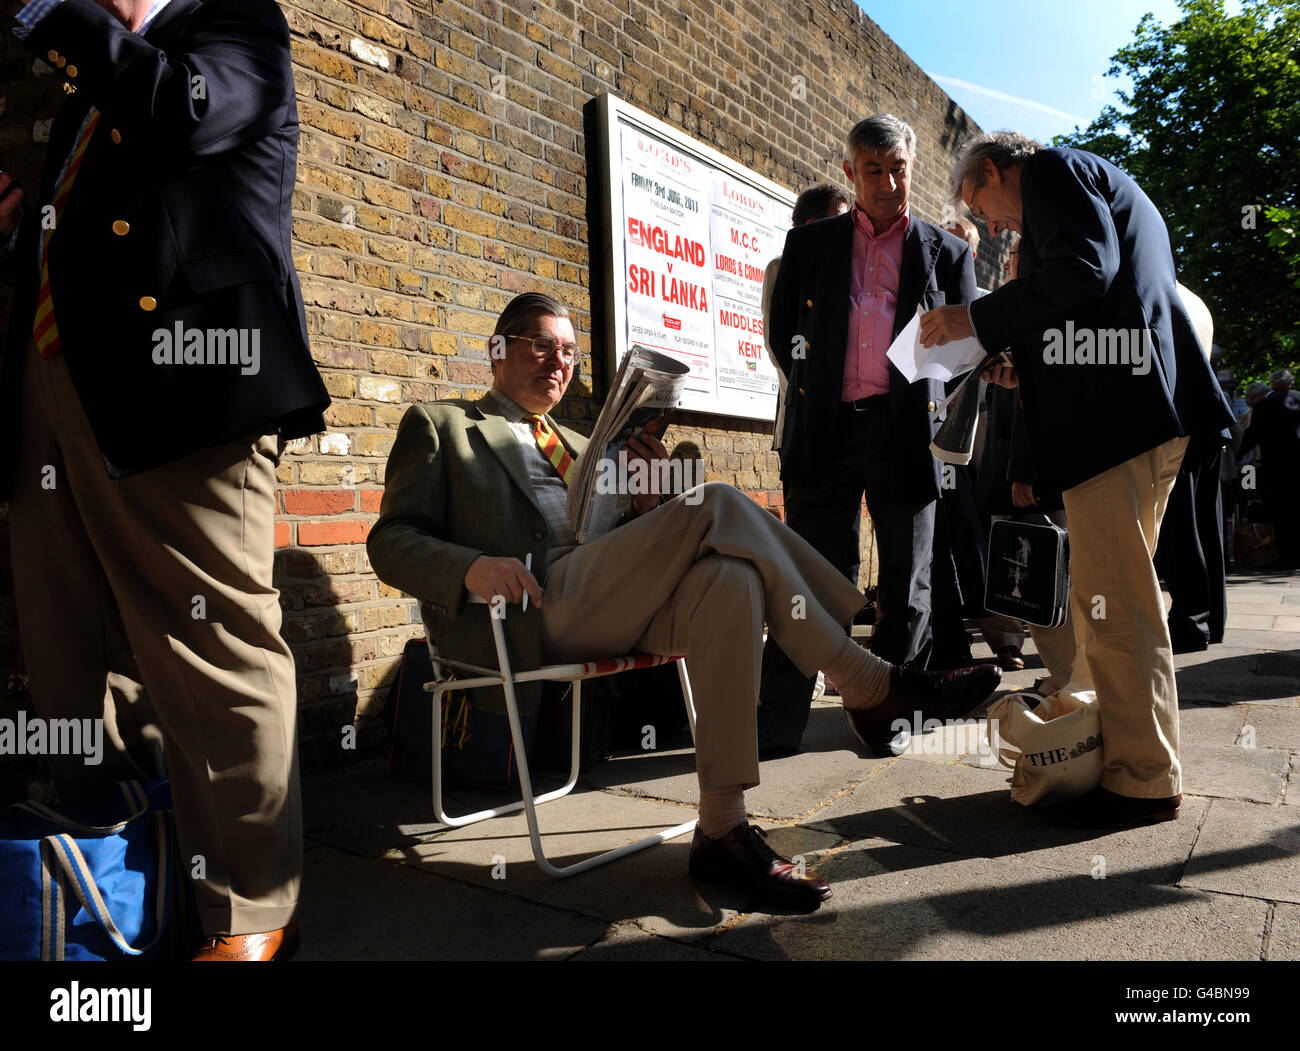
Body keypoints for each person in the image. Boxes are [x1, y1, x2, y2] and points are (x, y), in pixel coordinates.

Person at [368, 292, 1000, 908]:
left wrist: (648, 507)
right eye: (540, 345)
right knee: (717, 501)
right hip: (528, 611)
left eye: (568, 353)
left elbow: (613, 543)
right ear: (497, 351)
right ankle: (866, 679)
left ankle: (722, 828)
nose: (557, 362)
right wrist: (472, 567)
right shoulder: (444, 425)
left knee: (732, 579)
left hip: (606, 602)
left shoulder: (585, 447)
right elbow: (390, 541)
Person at [1, 0, 331, 960]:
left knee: (218, 642)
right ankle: (112, 865)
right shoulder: (92, 86)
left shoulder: (232, 28)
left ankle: (257, 912)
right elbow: (94, 241)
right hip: (56, 386)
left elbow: (182, 114)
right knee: (69, 637)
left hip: (185, 383)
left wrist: (53, 15)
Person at [920, 132, 1234, 829]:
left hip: (1117, 425)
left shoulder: (1056, 172)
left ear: (997, 171)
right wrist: (1021, 365)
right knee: (1120, 594)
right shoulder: (1088, 180)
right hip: (1140, 414)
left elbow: (1083, 272)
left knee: (1115, 602)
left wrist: (972, 317)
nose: (996, 227)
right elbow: (1091, 298)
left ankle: (1144, 776)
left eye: (984, 206)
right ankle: (1118, 752)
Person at [760, 114, 979, 756]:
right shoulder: (810, 245)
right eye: (874, 171)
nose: (888, 183)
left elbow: (963, 348)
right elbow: (784, 338)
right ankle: (776, 726)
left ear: (914, 168)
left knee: (908, 583)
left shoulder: (950, 251)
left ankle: (890, 717)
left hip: (905, 430)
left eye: (899, 170)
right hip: (825, 429)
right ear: (852, 173)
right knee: (811, 582)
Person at [756, 181, 849, 754]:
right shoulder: (784, 267)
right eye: (835, 223)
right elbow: (787, 353)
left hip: (861, 441)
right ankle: (780, 715)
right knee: (807, 569)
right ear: (809, 227)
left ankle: (847, 677)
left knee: (842, 570)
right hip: (811, 439)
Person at [1240, 368, 1300, 568]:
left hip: (1276, 466)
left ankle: (1286, 554)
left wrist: (1239, 455)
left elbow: (1253, 434)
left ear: (1271, 384)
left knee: (1281, 511)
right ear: (1290, 383)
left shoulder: (1264, 405)